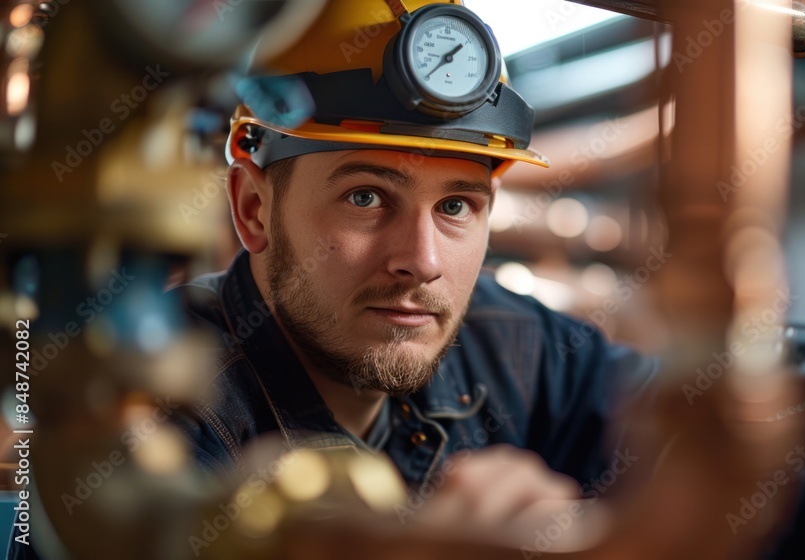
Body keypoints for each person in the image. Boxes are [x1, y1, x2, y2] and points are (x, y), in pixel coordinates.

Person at [8, 1, 657, 557]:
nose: (422, 260)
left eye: (456, 206)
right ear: (253, 209)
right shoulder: (146, 408)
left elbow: (698, 445)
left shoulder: (521, 347)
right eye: (366, 198)